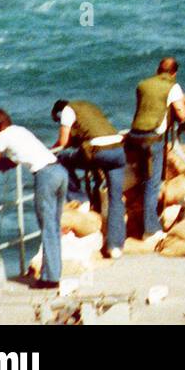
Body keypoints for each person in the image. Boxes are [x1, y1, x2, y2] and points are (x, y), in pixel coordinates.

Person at [0, 109, 66, 289]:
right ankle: (53, 274)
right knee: (54, 227)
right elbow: (13, 161)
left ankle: (50, 279)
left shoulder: (2, 136)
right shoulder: (20, 131)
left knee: (47, 228)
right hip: (60, 172)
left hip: (46, 176)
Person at [52, 99, 127, 259]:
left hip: (99, 152)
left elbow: (63, 142)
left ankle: (80, 199)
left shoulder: (67, 111)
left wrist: (52, 150)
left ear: (59, 113)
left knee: (60, 159)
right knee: (115, 198)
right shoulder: (89, 107)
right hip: (118, 150)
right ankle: (115, 246)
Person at [125, 57, 185, 239]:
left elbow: (150, 107)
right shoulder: (173, 87)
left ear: (157, 70)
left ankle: (139, 221)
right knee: (152, 184)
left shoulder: (143, 84)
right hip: (152, 139)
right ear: (174, 73)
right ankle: (150, 229)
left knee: (143, 180)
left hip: (135, 136)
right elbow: (181, 114)